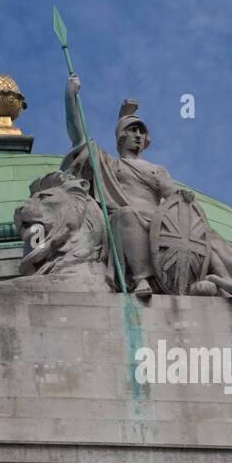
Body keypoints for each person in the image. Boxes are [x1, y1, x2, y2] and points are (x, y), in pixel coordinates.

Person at [61, 73, 174, 297]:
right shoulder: (108, 164)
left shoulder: (157, 170)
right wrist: (70, 97)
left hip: (159, 222)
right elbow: (79, 137)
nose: (138, 136)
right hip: (127, 220)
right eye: (133, 130)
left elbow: (174, 197)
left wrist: (186, 199)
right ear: (121, 136)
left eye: (142, 132)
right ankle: (141, 279)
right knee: (125, 215)